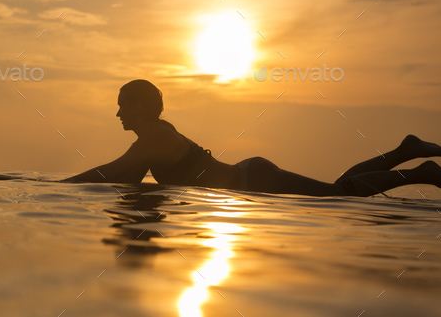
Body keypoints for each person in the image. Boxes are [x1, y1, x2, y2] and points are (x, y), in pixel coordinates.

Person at [64, 79, 441, 197]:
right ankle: (405, 151)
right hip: (251, 179)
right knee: (341, 189)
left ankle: (422, 171)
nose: (118, 113)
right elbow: (122, 178)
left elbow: (109, 172)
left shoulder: (156, 139)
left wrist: (56, 187)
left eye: (123, 105)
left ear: (142, 107)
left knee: (343, 196)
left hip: (256, 179)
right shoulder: (153, 140)